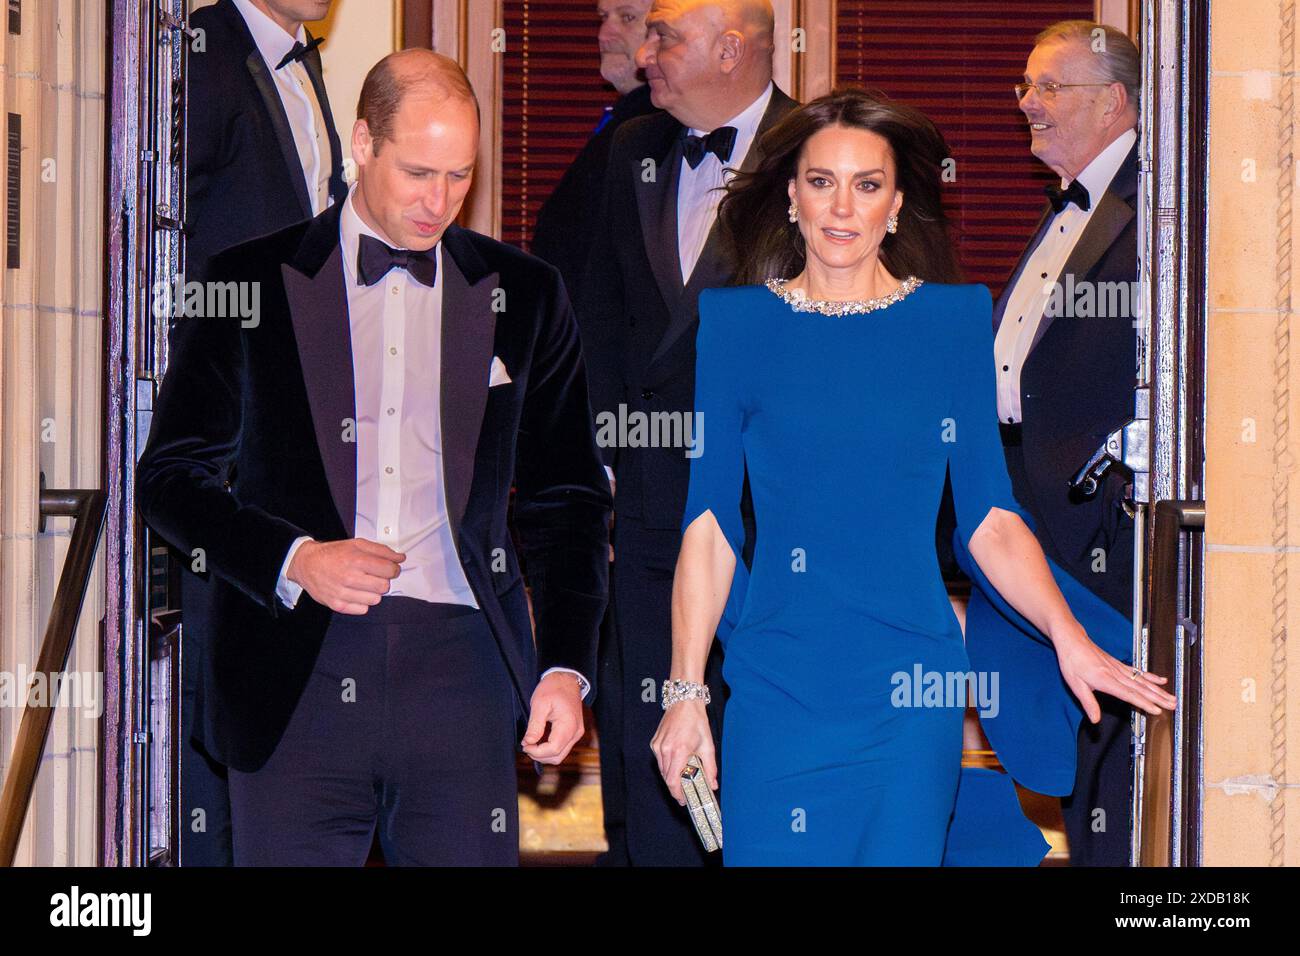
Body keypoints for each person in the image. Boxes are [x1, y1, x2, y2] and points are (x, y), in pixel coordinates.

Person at [648, 87, 1175, 865]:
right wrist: (686, 693)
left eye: (867, 185)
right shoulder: (737, 327)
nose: (841, 207)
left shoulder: (950, 323)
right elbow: (710, 526)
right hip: (775, 682)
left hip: (908, 688)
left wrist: (1068, 637)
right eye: (821, 181)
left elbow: (990, 518)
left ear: (895, 203)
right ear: (791, 193)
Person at [137, 49, 611, 865]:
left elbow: (568, 500)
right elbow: (171, 477)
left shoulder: (525, 294)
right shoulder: (248, 279)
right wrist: (295, 557)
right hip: (294, 671)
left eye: (460, 177)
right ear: (363, 142)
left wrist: (566, 668)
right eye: (419, 172)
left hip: (463, 674)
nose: (440, 202)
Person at [575, 0, 798, 866]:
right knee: (648, 754)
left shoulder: (821, 155)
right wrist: (602, 460)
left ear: (730, 48)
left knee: (758, 756)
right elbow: (598, 317)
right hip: (648, 512)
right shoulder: (631, 148)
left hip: (771, 525)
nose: (645, 50)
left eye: (664, 35)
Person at [959, 19, 1143, 867]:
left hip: (1098, 529)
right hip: (1022, 516)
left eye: (1048, 87)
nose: (1027, 104)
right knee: (1069, 750)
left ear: (1114, 101)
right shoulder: (1070, 205)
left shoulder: (1157, 208)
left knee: (1115, 754)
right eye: (1023, 87)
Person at [179, 0, 346, 866]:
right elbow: (160, 233)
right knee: (224, 685)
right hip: (226, 429)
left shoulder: (302, 59)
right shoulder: (205, 45)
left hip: (291, 423)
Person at [530, 0, 658, 295]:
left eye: (627, 17)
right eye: (603, 17)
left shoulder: (667, 128)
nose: (604, 34)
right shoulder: (627, 121)